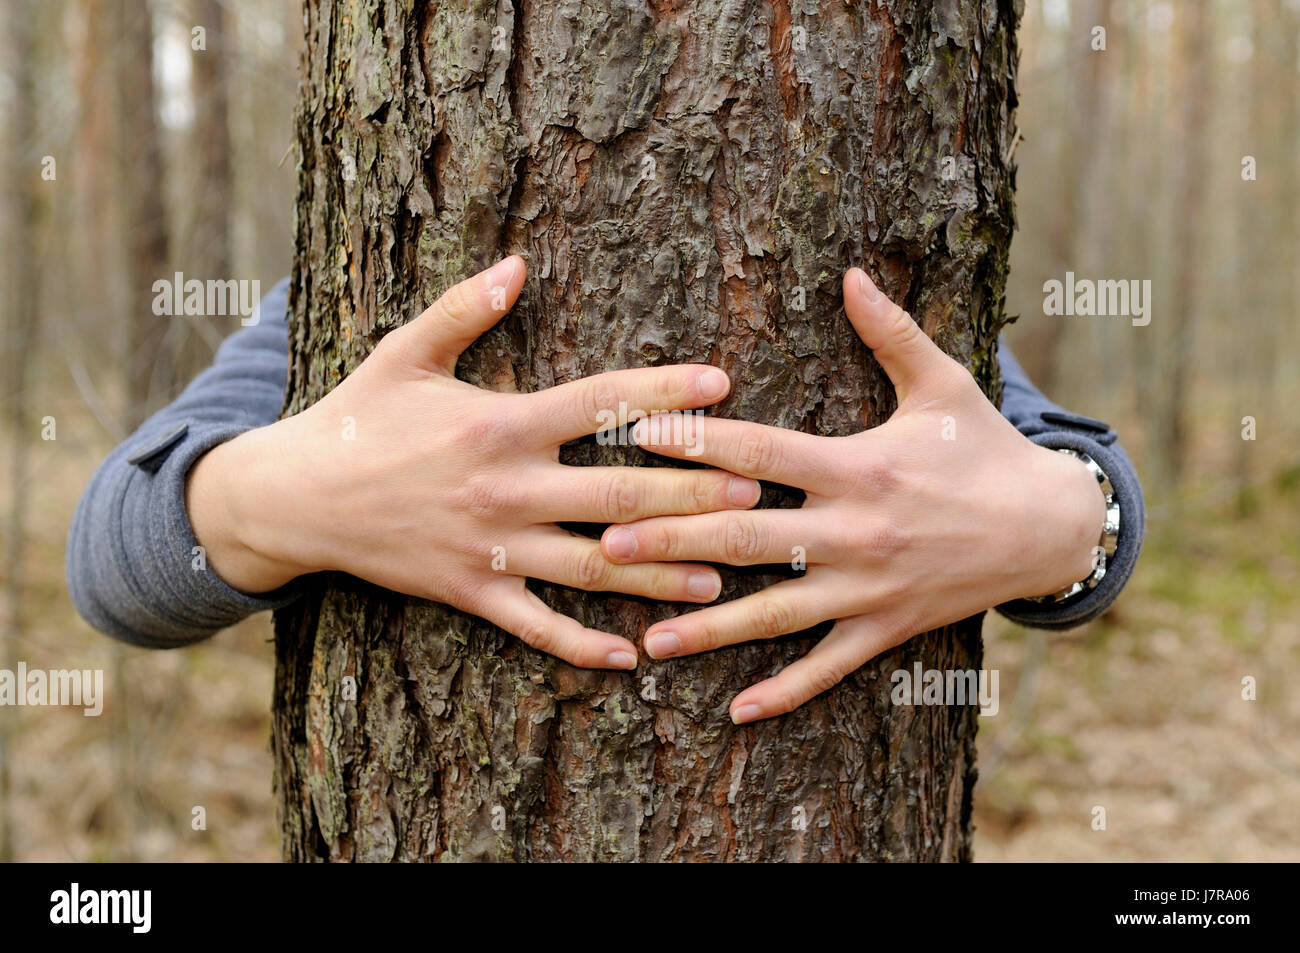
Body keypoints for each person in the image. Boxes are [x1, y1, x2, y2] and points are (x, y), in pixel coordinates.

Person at [67, 257, 1144, 723]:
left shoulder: (882, 288)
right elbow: (107, 565)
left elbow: (1070, 475)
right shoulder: (338, 302)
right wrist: (285, 498)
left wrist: (1061, 523)